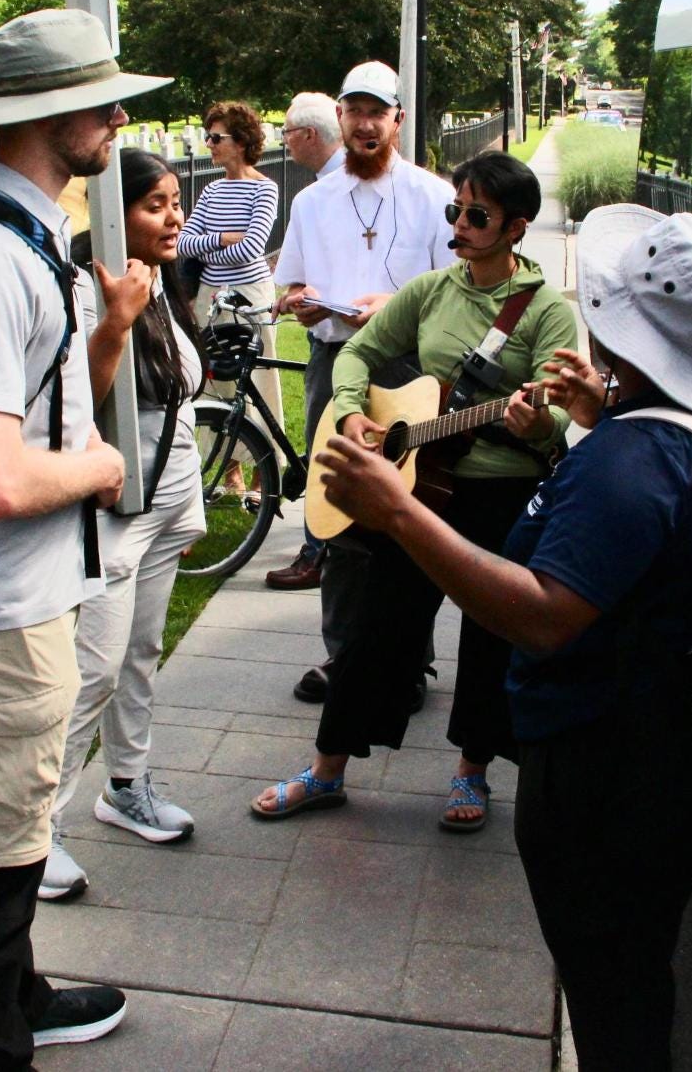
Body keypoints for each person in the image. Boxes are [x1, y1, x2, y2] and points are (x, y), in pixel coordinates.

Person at [312, 205, 692, 1069]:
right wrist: (592, 419)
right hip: (665, 753)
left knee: (611, 982)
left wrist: (399, 511)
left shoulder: (633, 461)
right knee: (629, 965)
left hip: (611, 774)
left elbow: (542, 614)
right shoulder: (674, 429)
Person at [0, 8, 166, 1067]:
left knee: (6, 825)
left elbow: (39, 411)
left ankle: (25, 996)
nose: (116, 118)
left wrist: (105, 335)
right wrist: (104, 469)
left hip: (31, 593)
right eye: (103, 102)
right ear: (55, 115)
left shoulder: (28, 238)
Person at [248, 152, 575, 831]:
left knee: (489, 636)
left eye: (476, 214)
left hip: (499, 497)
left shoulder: (545, 310)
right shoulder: (431, 290)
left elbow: (563, 410)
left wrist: (542, 417)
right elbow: (361, 354)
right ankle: (327, 769)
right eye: (454, 209)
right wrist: (349, 413)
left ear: (516, 227)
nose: (458, 221)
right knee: (376, 630)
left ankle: (472, 772)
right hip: (420, 492)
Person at [43, 149, 208, 902]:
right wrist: (117, 319)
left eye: (177, 202)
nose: (174, 217)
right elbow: (80, 397)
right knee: (95, 667)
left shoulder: (162, 280)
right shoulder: (89, 285)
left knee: (143, 650)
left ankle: (126, 784)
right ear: (116, 214)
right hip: (120, 499)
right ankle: (34, 829)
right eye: (155, 205)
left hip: (170, 490)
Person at [271, 62, 455, 700]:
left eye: (379, 112)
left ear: (397, 120)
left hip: (404, 370)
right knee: (339, 513)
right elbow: (290, 283)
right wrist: (302, 299)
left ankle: (411, 662)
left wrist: (396, 307)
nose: (366, 124)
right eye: (355, 111)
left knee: (408, 513)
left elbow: (456, 295)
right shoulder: (312, 201)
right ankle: (345, 656)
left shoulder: (433, 196)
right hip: (332, 362)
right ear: (341, 118)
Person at [263, 91, 346, 591]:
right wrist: (296, 291)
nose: (285, 143)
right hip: (327, 338)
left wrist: (323, 299)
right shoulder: (316, 193)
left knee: (324, 450)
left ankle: (318, 553)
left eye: (287, 133)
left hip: (344, 343)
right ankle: (323, 549)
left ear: (309, 135)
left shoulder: (336, 190)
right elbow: (306, 269)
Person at [181, 100, 282, 431]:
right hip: (211, 296)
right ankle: (231, 469)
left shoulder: (264, 189)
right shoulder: (211, 190)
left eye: (215, 138)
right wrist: (223, 238)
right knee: (215, 380)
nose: (209, 144)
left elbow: (252, 248)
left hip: (250, 296)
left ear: (240, 141)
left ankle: (263, 463)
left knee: (259, 377)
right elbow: (184, 243)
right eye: (207, 137)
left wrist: (206, 248)